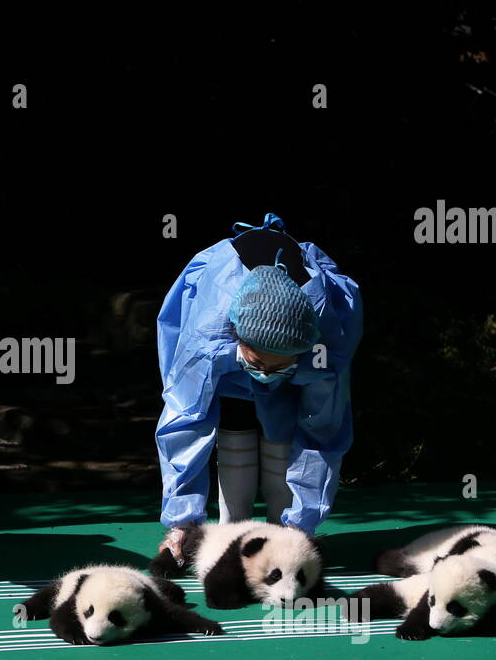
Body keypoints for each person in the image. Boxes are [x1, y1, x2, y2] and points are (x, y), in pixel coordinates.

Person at [154, 213, 362, 562]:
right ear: (235, 334)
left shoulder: (327, 342)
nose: (263, 373)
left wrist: (302, 529)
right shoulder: (208, 331)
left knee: (291, 420)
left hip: (308, 360)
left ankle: (287, 525)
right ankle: (224, 525)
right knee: (226, 413)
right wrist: (182, 522)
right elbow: (184, 418)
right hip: (220, 336)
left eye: (276, 365)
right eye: (257, 362)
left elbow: (323, 431)